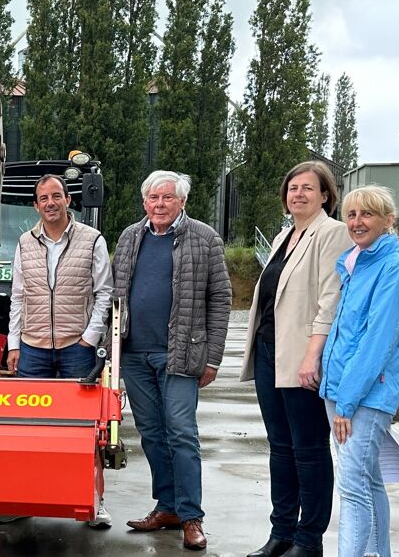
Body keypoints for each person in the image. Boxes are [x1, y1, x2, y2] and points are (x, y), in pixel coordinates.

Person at [112, 170, 231, 551]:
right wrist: (111, 349)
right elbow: (115, 294)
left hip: (180, 354)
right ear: (144, 202)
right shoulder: (131, 237)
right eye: (153, 198)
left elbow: (221, 300)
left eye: (167, 198)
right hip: (134, 353)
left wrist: (211, 358)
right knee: (150, 433)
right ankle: (167, 507)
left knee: (181, 433)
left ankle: (192, 516)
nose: (159, 204)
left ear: (181, 202)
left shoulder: (204, 238)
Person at [241, 161, 352, 557]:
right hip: (271, 351)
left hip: (303, 356)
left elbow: (330, 298)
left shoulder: (332, 233)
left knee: (308, 449)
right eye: (292, 188)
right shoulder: (284, 235)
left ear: (326, 195)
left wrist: (312, 356)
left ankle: (308, 540)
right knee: (280, 447)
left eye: (308, 188)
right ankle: (281, 533)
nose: (298, 194)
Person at [0, 173, 114, 528]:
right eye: (43, 198)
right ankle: (25, 499)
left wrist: (90, 338)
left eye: (56, 196)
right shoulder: (23, 243)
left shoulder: (92, 240)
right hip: (32, 349)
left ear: (68, 200)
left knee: (84, 430)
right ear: (35, 205)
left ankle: (94, 502)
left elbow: (104, 292)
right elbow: (18, 297)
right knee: (30, 429)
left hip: (76, 348)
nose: (50, 203)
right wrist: (14, 344)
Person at [320, 185, 399, 557]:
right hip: (343, 391)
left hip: (363, 395)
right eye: (350, 214)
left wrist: (345, 402)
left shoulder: (392, 270)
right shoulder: (357, 264)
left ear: (388, 221)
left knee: (353, 486)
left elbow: (377, 344)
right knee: (368, 480)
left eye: (367, 214)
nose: (357, 222)